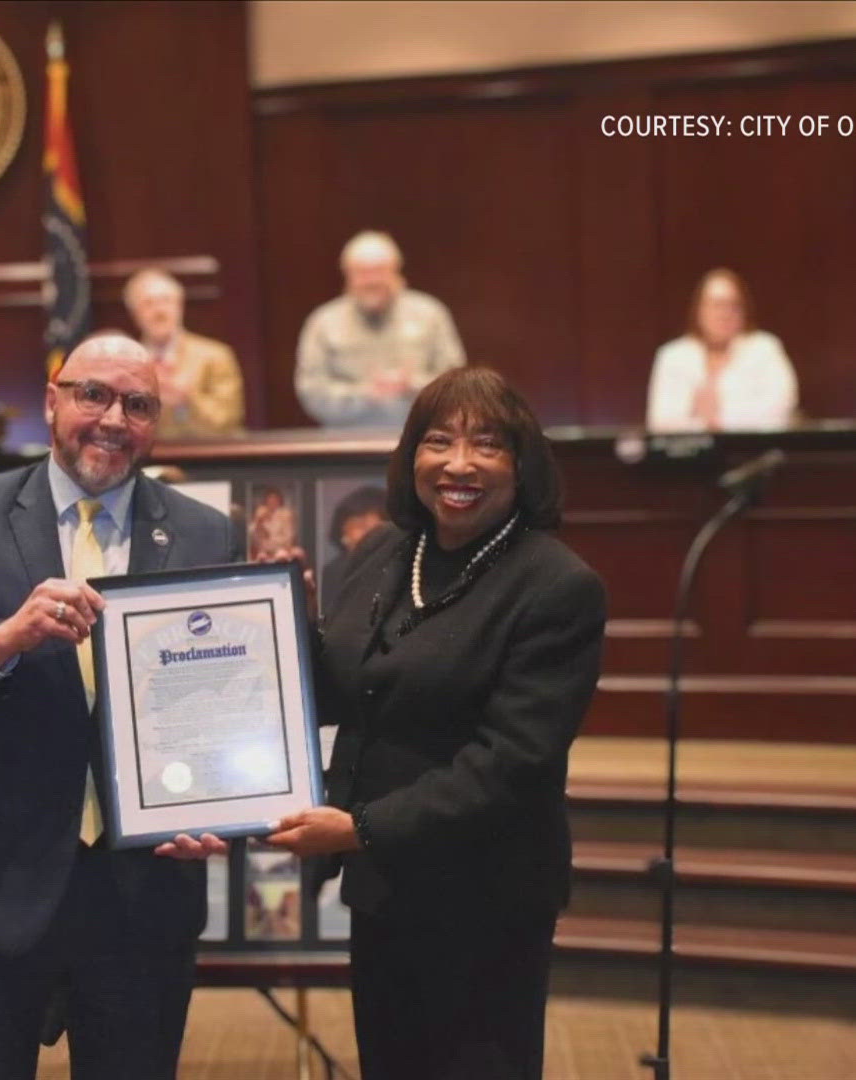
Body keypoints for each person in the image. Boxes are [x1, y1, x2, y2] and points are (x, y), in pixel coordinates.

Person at [0, 334, 238, 1080]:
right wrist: (3, 639)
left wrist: (221, 802)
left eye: (138, 405)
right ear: (51, 401)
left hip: (140, 904)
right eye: (93, 394)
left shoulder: (205, 531)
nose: (114, 419)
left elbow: (224, 701)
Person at [263, 367, 607, 1079]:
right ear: (411, 454)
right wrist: (282, 623)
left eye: (487, 445)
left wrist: (358, 828)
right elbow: (344, 690)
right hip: (385, 884)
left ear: (523, 464)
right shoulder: (382, 551)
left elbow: (514, 762)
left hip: (486, 893)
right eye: (439, 441)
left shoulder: (557, 585)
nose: (459, 464)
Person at [296, 231, 466, 428]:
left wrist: (412, 385)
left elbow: (457, 381)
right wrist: (365, 394)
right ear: (347, 274)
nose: (372, 281)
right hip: (345, 440)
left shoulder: (430, 314)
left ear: (396, 271)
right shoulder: (323, 322)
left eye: (379, 270)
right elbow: (311, 391)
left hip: (420, 437)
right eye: (362, 272)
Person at [645, 268, 797, 432]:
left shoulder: (765, 349)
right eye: (716, 305)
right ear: (699, 310)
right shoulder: (673, 356)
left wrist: (720, 418)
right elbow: (661, 422)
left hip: (752, 447)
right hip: (691, 448)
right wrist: (706, 424)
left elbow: (779, 413)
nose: (724, 314)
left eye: (733, 305)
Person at [123, 268, 244, 439]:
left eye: (166, 301)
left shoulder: (215, 356)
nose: (159, 311)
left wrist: (187, 398)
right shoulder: (126, 362)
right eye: (148, 303)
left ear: (180, 305)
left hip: (204, 452)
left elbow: (228, 422)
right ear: (134, 313)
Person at [321, 484, 387, 614]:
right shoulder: (332, 573)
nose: (369, 534)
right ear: (342, 533)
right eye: (360, 526)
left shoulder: (405, 568)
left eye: (377, 526)